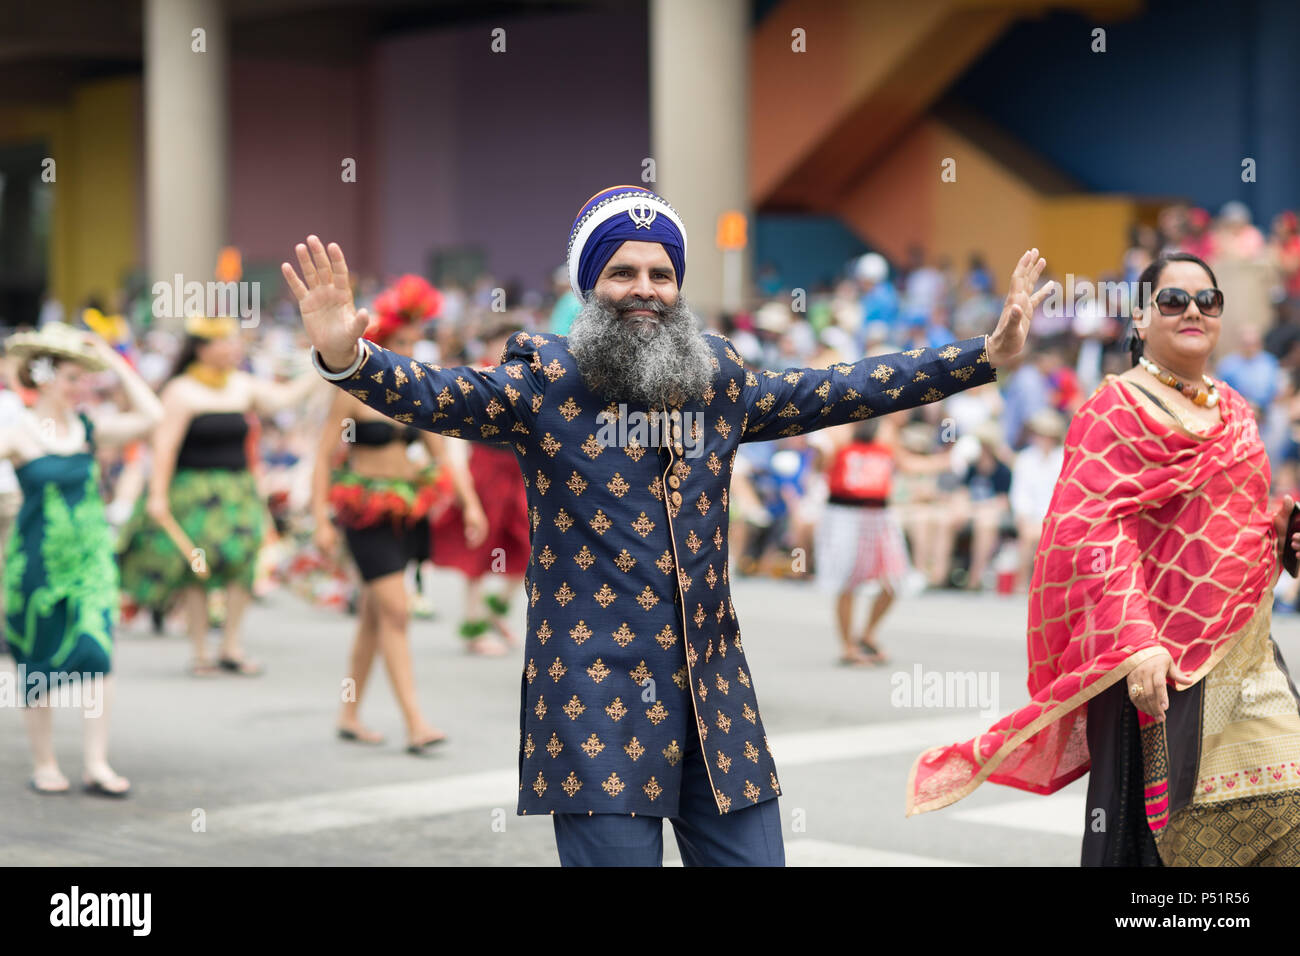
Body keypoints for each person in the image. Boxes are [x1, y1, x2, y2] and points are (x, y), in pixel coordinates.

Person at [284, 185, 1049, 867]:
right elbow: (436, 393)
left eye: (660, 274)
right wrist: (347, 355)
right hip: (591, 699)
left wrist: (980, 358)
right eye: (622, 272)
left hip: (714, 697)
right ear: (591, 287)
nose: (643, 290)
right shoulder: (544, 379)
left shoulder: (717, 379)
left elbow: (842, 387)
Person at [908, 252, 1300, 867]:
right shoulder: (1114, 408)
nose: (1193, 311)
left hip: (1246, 657)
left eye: (1208, 300)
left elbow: (1235, 521)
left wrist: (1284, 535)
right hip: (1159, 664)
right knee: (1165, 843)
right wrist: (1137, 641)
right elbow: (1091, 530)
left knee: (1287, 812)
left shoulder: (1236, 409)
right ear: (1141, 319)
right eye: (1173, 300)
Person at [311, 275, 484, 750]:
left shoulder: (413, 391)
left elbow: (443, 453)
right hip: (362, 510)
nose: (410, 347)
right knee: (397, 611)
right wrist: (320, 518)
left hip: (406, 510)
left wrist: (469, 504)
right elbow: (326, 455)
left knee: (375, 614)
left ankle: (349, 713)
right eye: (400, 341)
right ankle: (415, 724)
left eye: (414, 340)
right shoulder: (352, 392)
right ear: (379, 342)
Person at [0, 324, 163, 794]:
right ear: (47, 378)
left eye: (84, 379)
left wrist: (113, 361)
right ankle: (44, 762)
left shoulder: (90, 429)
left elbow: (152, 415)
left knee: (97, 653)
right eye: (72, 377)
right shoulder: (18, 435)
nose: (82, 387)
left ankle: (96, 762)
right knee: (34, 662)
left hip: (91, 560)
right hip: (36, 562)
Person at [118, 314, 324, 676]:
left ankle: (231, 645)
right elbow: (164, 446)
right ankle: (200, 651)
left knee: (242, 567)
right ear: (201, 348)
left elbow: (284, 399)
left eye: (233, 341)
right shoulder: (180, 391)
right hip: (193, 492)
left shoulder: (242, 385)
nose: (233, 348)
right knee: (197, 569)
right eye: (225, 342)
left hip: (239, 491)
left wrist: (327, 363)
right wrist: (158, 496)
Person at [430, 317, 530, 655]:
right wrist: (468, 498)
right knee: (480, 549)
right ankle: (473, 628)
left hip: (519, 471)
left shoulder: (529, 376)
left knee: (529, 547)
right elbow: (454, 444)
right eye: (501, 342)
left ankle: (491, 612)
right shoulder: (475, 376)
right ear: (488, 344)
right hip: (484, 471)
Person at [815, 417, 946, 666]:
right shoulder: (838, 430)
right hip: (844, 512)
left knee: (896, 578)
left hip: (880, 513)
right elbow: (820, 466)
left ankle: (866, 634)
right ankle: (847, 646)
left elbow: (907, 464)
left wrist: (946, 461)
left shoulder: (886, 430)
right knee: (846, 579)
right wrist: (825, 450)